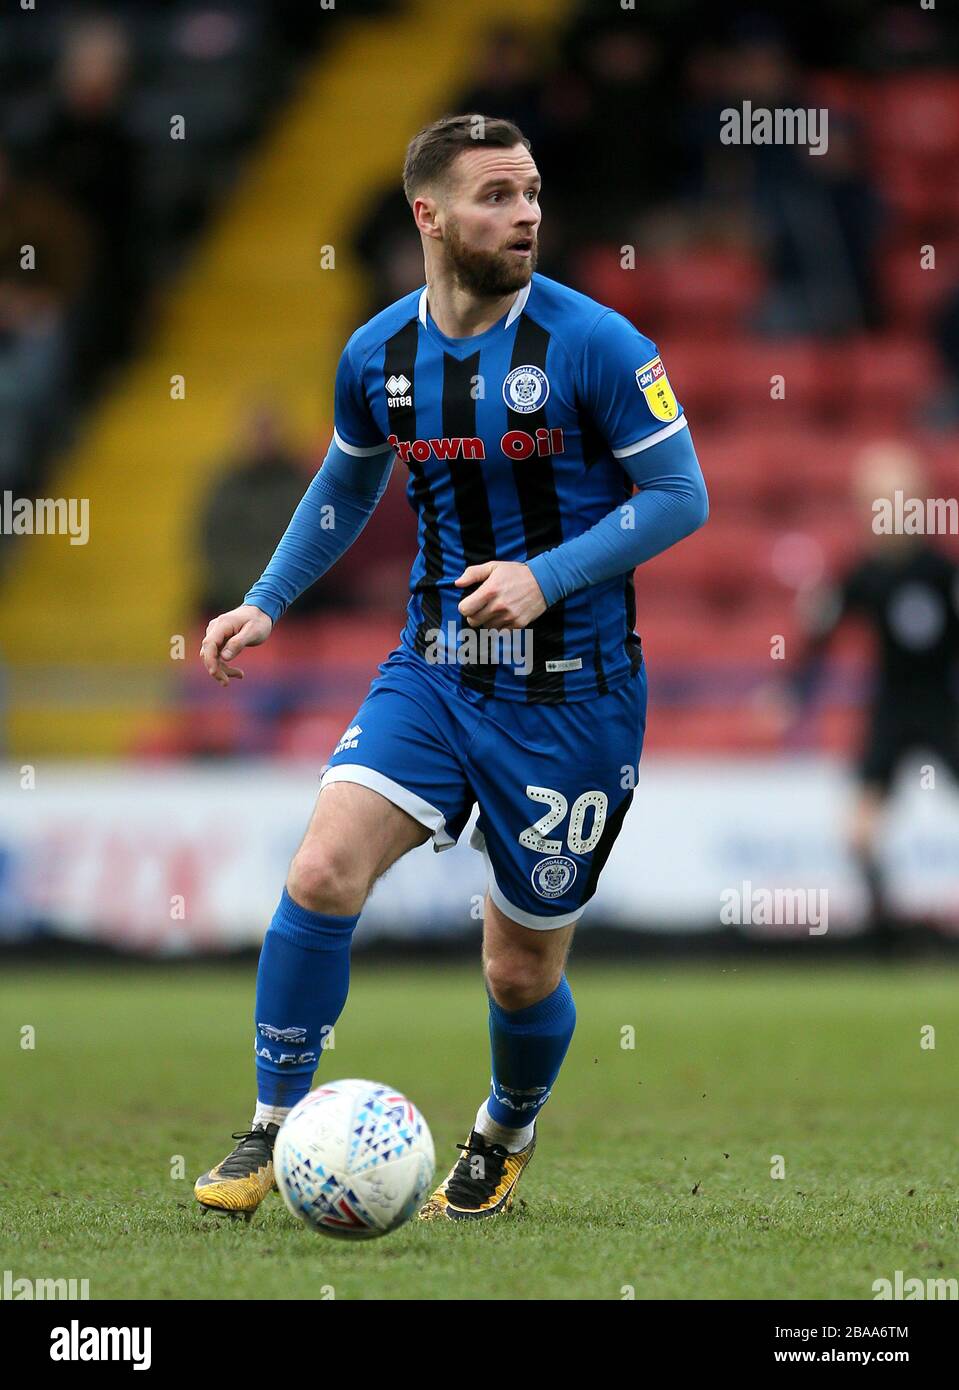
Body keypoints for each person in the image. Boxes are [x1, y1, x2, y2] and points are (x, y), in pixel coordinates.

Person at [195, 114, 708, 1223]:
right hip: (433, 668)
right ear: (427, 215)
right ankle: (273, 1122)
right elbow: (345, 482)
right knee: (321, 869)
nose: (523, 212)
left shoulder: (597, 344)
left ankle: (505, 1129)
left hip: (573, 695)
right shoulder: (376, 353)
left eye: (530, 191)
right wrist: (265, 599)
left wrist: (546, 576)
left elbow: (680, 496)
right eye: (493, 195)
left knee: (518, 969)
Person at [787, 443, 959, 948]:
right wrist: (793, 693)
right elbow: (821, 635)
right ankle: (886, 935)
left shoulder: (942, 572)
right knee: (858, 832)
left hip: (944, 710)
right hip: (891, 713)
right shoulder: (862, 574)